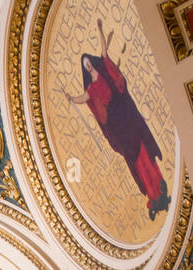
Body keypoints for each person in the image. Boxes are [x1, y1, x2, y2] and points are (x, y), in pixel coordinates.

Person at [69, 18, 170, 220]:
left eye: (88, 62)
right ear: (84, 70)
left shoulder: (105, 68)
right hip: (117, 124)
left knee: (143, 150)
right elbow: (82, 99)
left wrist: (99, 29)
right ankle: (152, 196)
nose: (88, 66)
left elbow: (104, 51)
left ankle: (159, 188)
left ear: (91, 62)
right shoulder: (90, 89)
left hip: (126, 114)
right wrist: (71, 98)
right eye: (85, 65)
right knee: (135, 160)